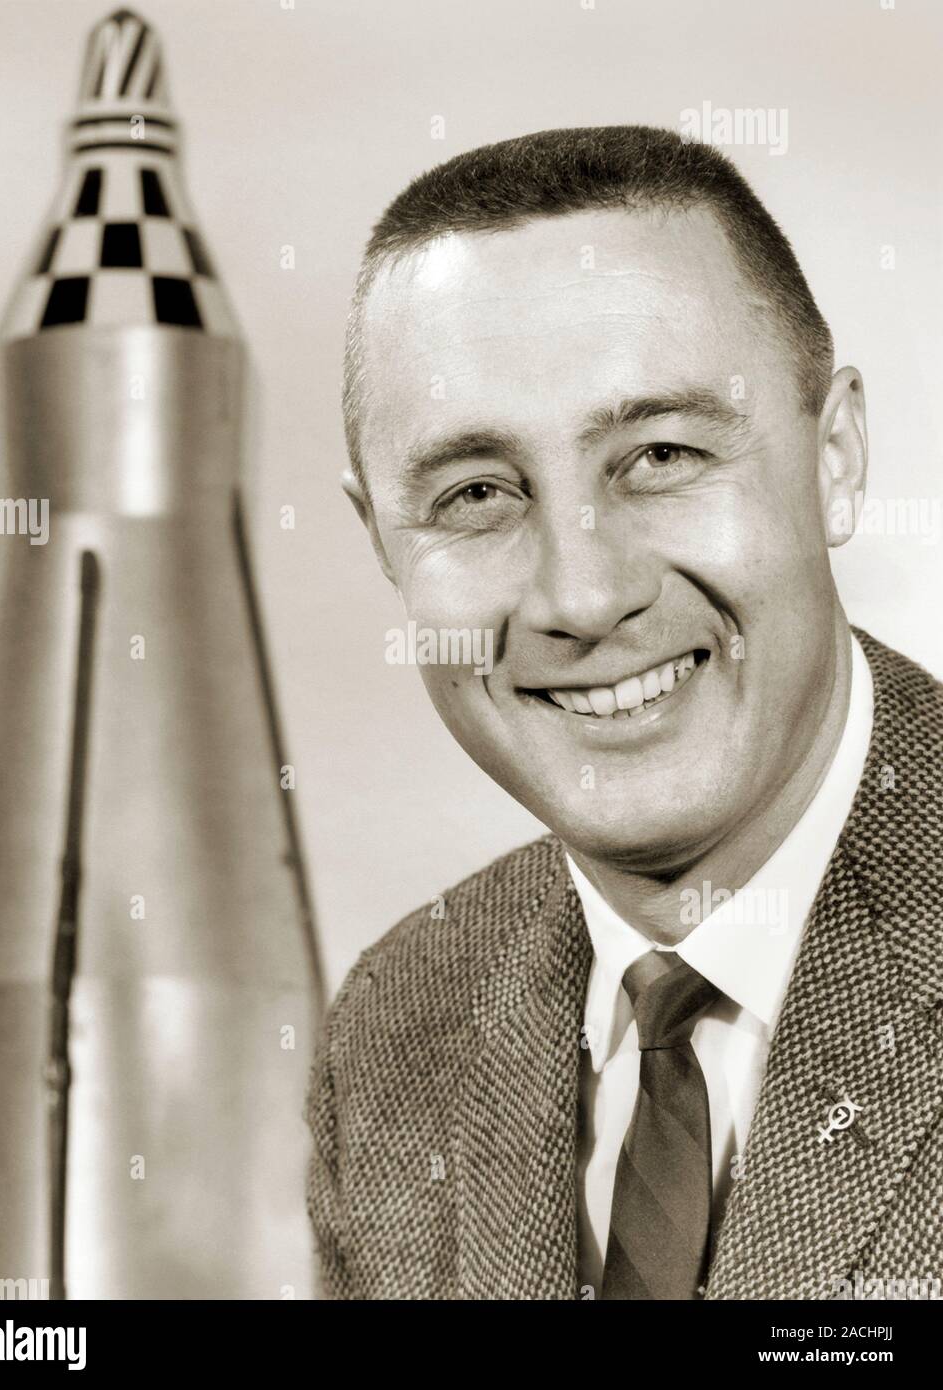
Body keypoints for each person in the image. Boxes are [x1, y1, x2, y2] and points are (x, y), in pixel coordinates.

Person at [305, 125, 943, 1300]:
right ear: (383, 543)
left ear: (837, 457)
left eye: (660, 455)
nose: (584, 597)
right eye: (476, 493)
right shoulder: (396, 1029)